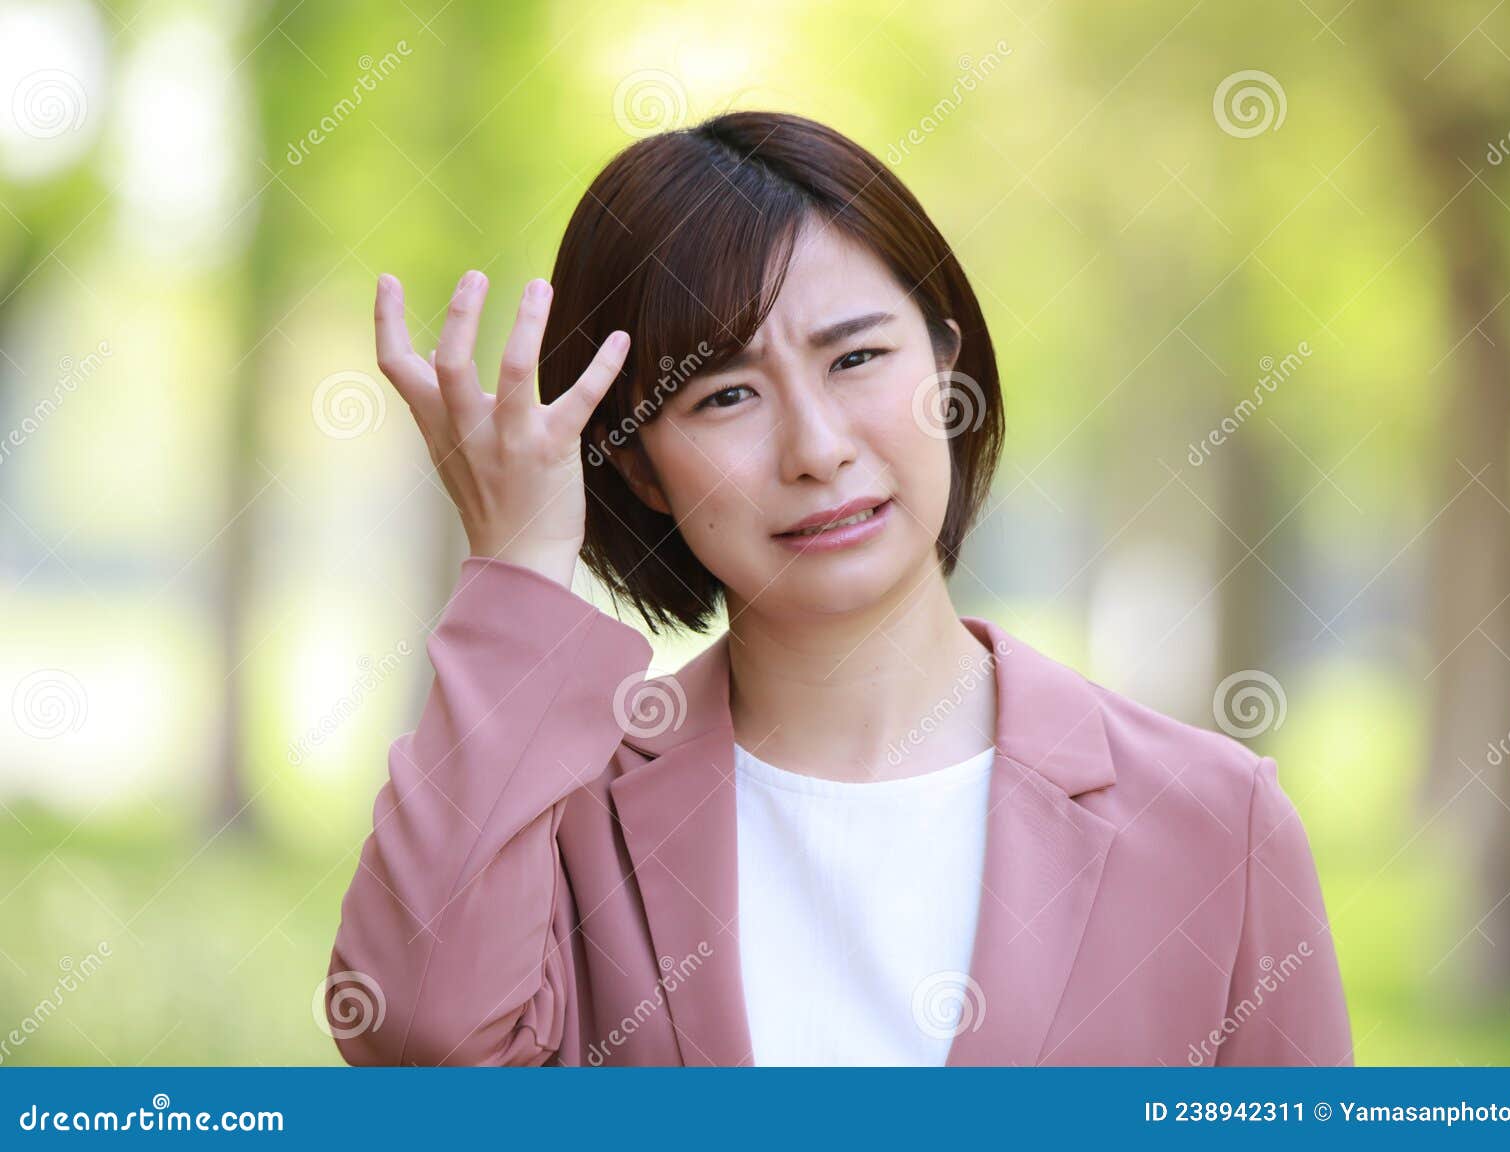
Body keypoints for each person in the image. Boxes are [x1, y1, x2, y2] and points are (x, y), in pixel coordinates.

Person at [324, 110, 1352, 1067]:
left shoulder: (1212, 822)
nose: (816, 448)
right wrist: (515, 565)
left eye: (855, 356)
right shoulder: (560, 820)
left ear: (946, 373)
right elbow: (417, 1034)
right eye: (725, 394)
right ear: (638, 465)